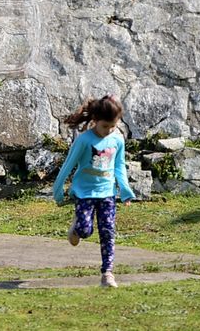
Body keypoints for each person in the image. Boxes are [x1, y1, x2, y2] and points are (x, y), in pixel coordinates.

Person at [51, 93, 136, 288]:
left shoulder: (117, 139)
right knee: (86, 230)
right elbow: (68, 165)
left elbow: (119, 167)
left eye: (112, 126)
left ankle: (107, 273)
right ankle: (77, 227)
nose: (108, 130)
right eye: (105, 126)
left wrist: (125, 191)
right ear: (95, 120)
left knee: (107, 231)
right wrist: (58, 191)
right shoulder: (84, 140)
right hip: (84, 192)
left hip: (107, 192)